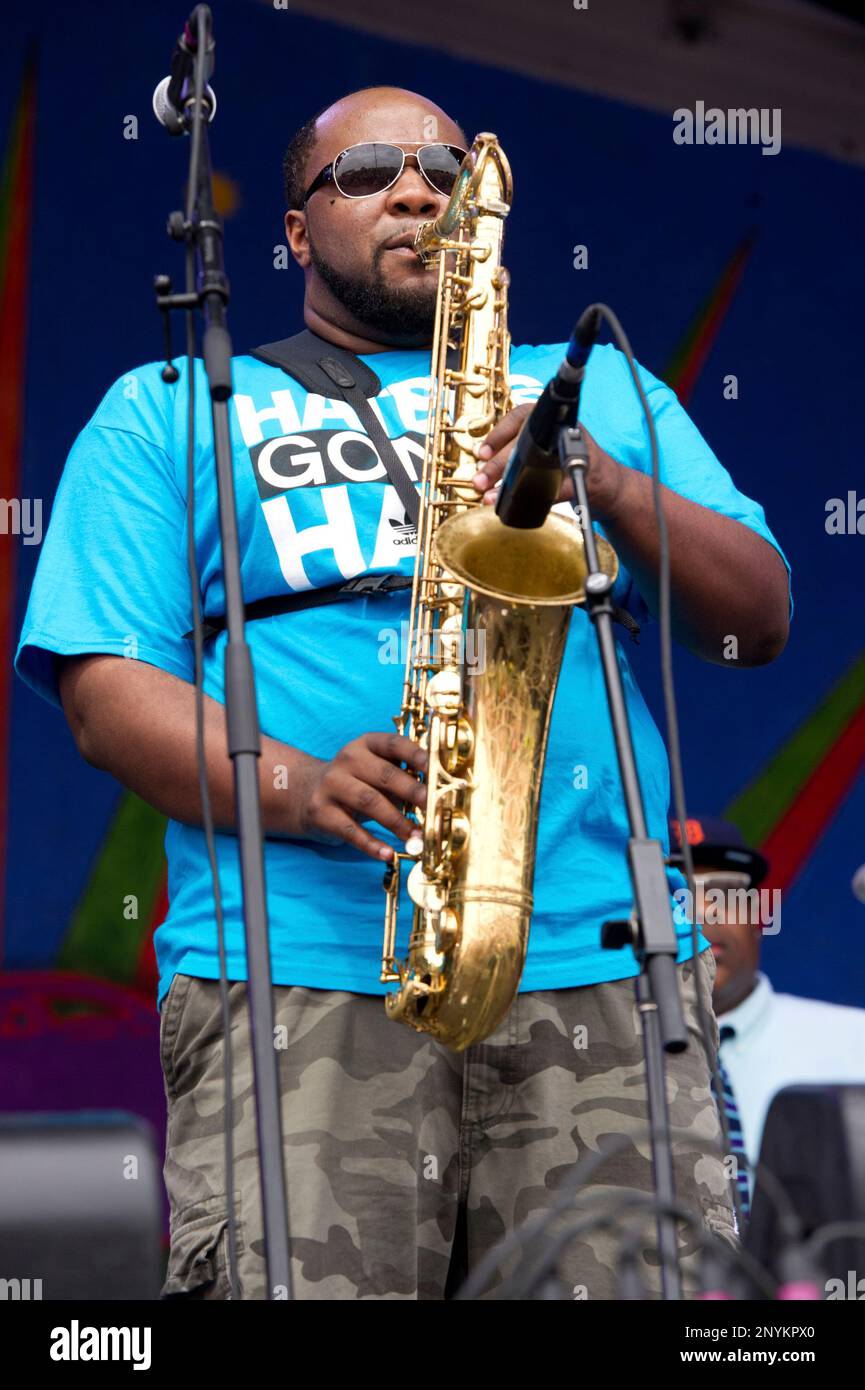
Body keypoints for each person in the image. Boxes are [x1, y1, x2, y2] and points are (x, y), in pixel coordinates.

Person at [15, 86, 792, 1300]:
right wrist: (298, 781)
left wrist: (602, 478)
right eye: (369, 171)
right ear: (293, 227)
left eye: (439, 171)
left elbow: (756, 619)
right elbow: (104, 690)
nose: (415, 190)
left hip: (599, 963)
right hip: (302, 977)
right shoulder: (169, 408)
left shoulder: (591, 392)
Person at [675, 815, 865, 1197]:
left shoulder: (856, 1040)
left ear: (758, 917)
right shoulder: (606, 1061)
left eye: (725, 894)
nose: (703, 914)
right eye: (674, 898)